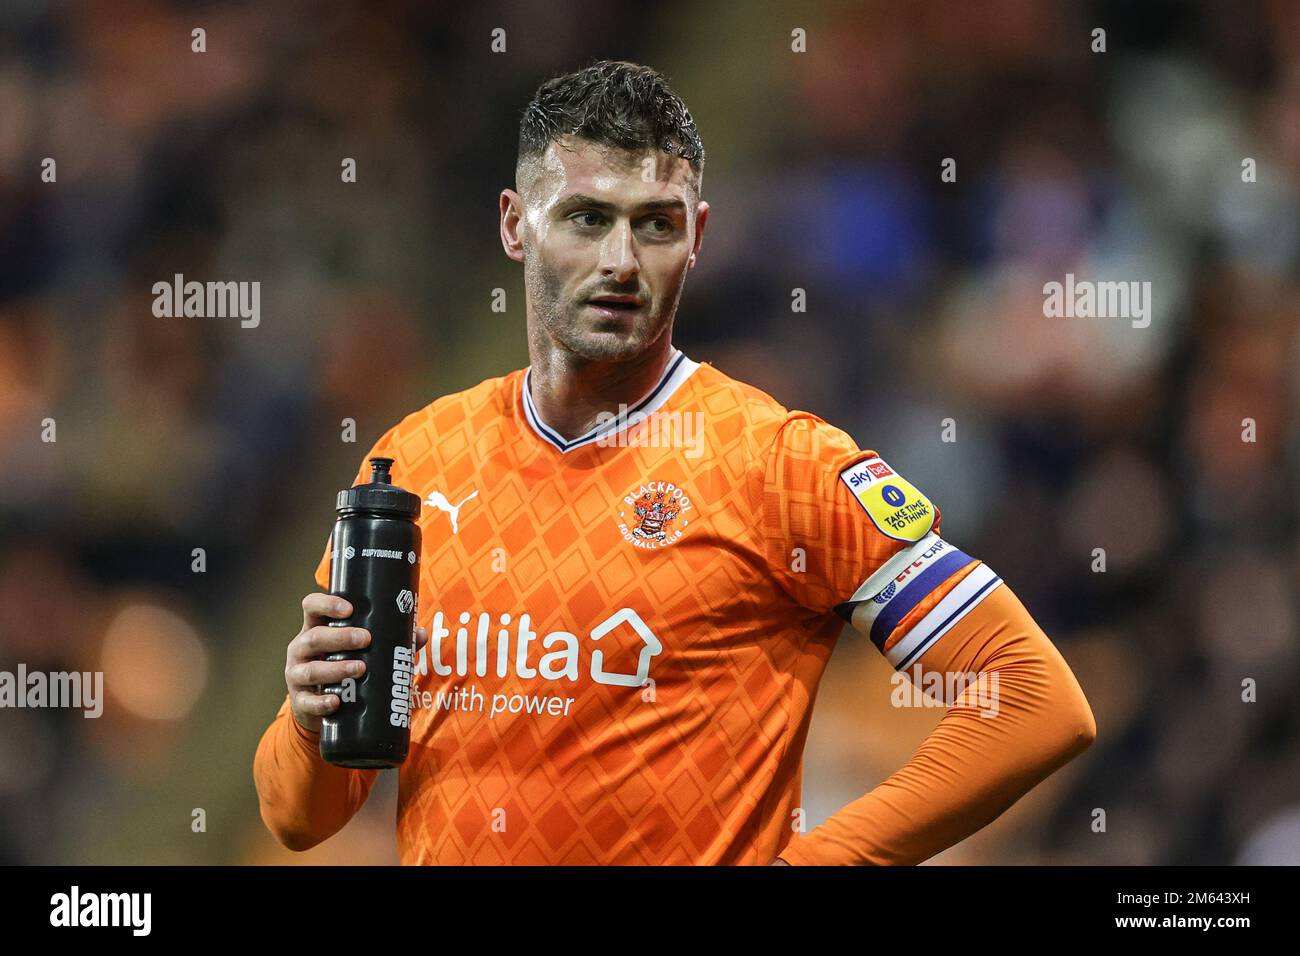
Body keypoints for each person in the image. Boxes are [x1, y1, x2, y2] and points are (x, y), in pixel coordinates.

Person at [253, 59, 1096, 865]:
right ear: (516, 225)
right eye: (586, 217)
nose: (621, 260)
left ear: (696, 238)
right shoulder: (415, 465)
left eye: (654, 223)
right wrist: (305, 719)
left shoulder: (777, 465)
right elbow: (299, 818)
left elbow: (1030, 698)